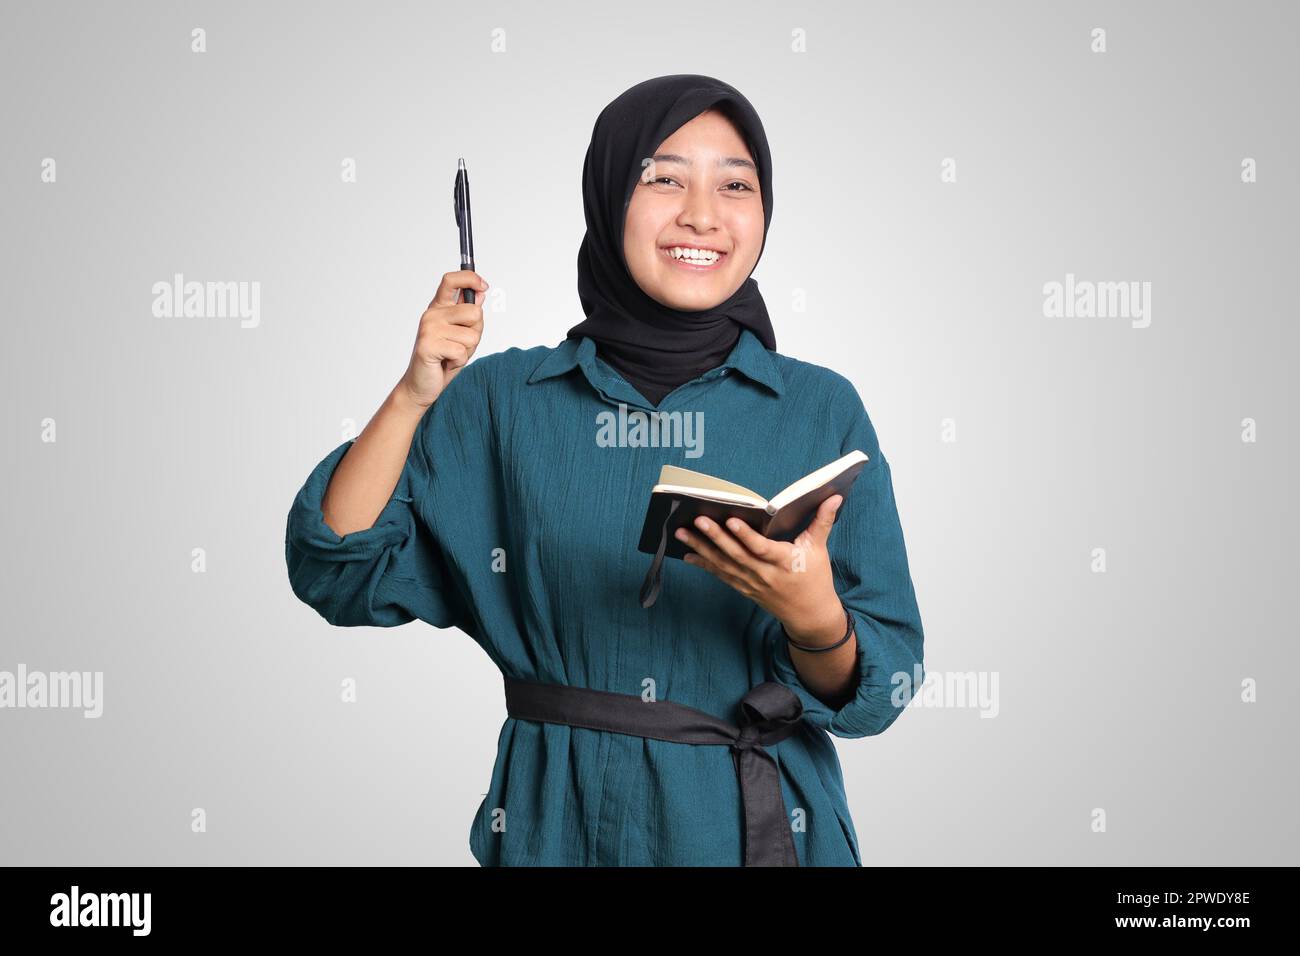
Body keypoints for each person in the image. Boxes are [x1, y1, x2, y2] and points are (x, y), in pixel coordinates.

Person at [285, 74, 925, 867]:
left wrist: (813, 617)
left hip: (756, 830)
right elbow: (333, 565)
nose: (702, 214)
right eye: (663, 179)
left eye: (735, 184)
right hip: (558, 824)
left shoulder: (821, 410)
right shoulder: (503, 401)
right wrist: (415, 393)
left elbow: (878, 692)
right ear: (607, 195)